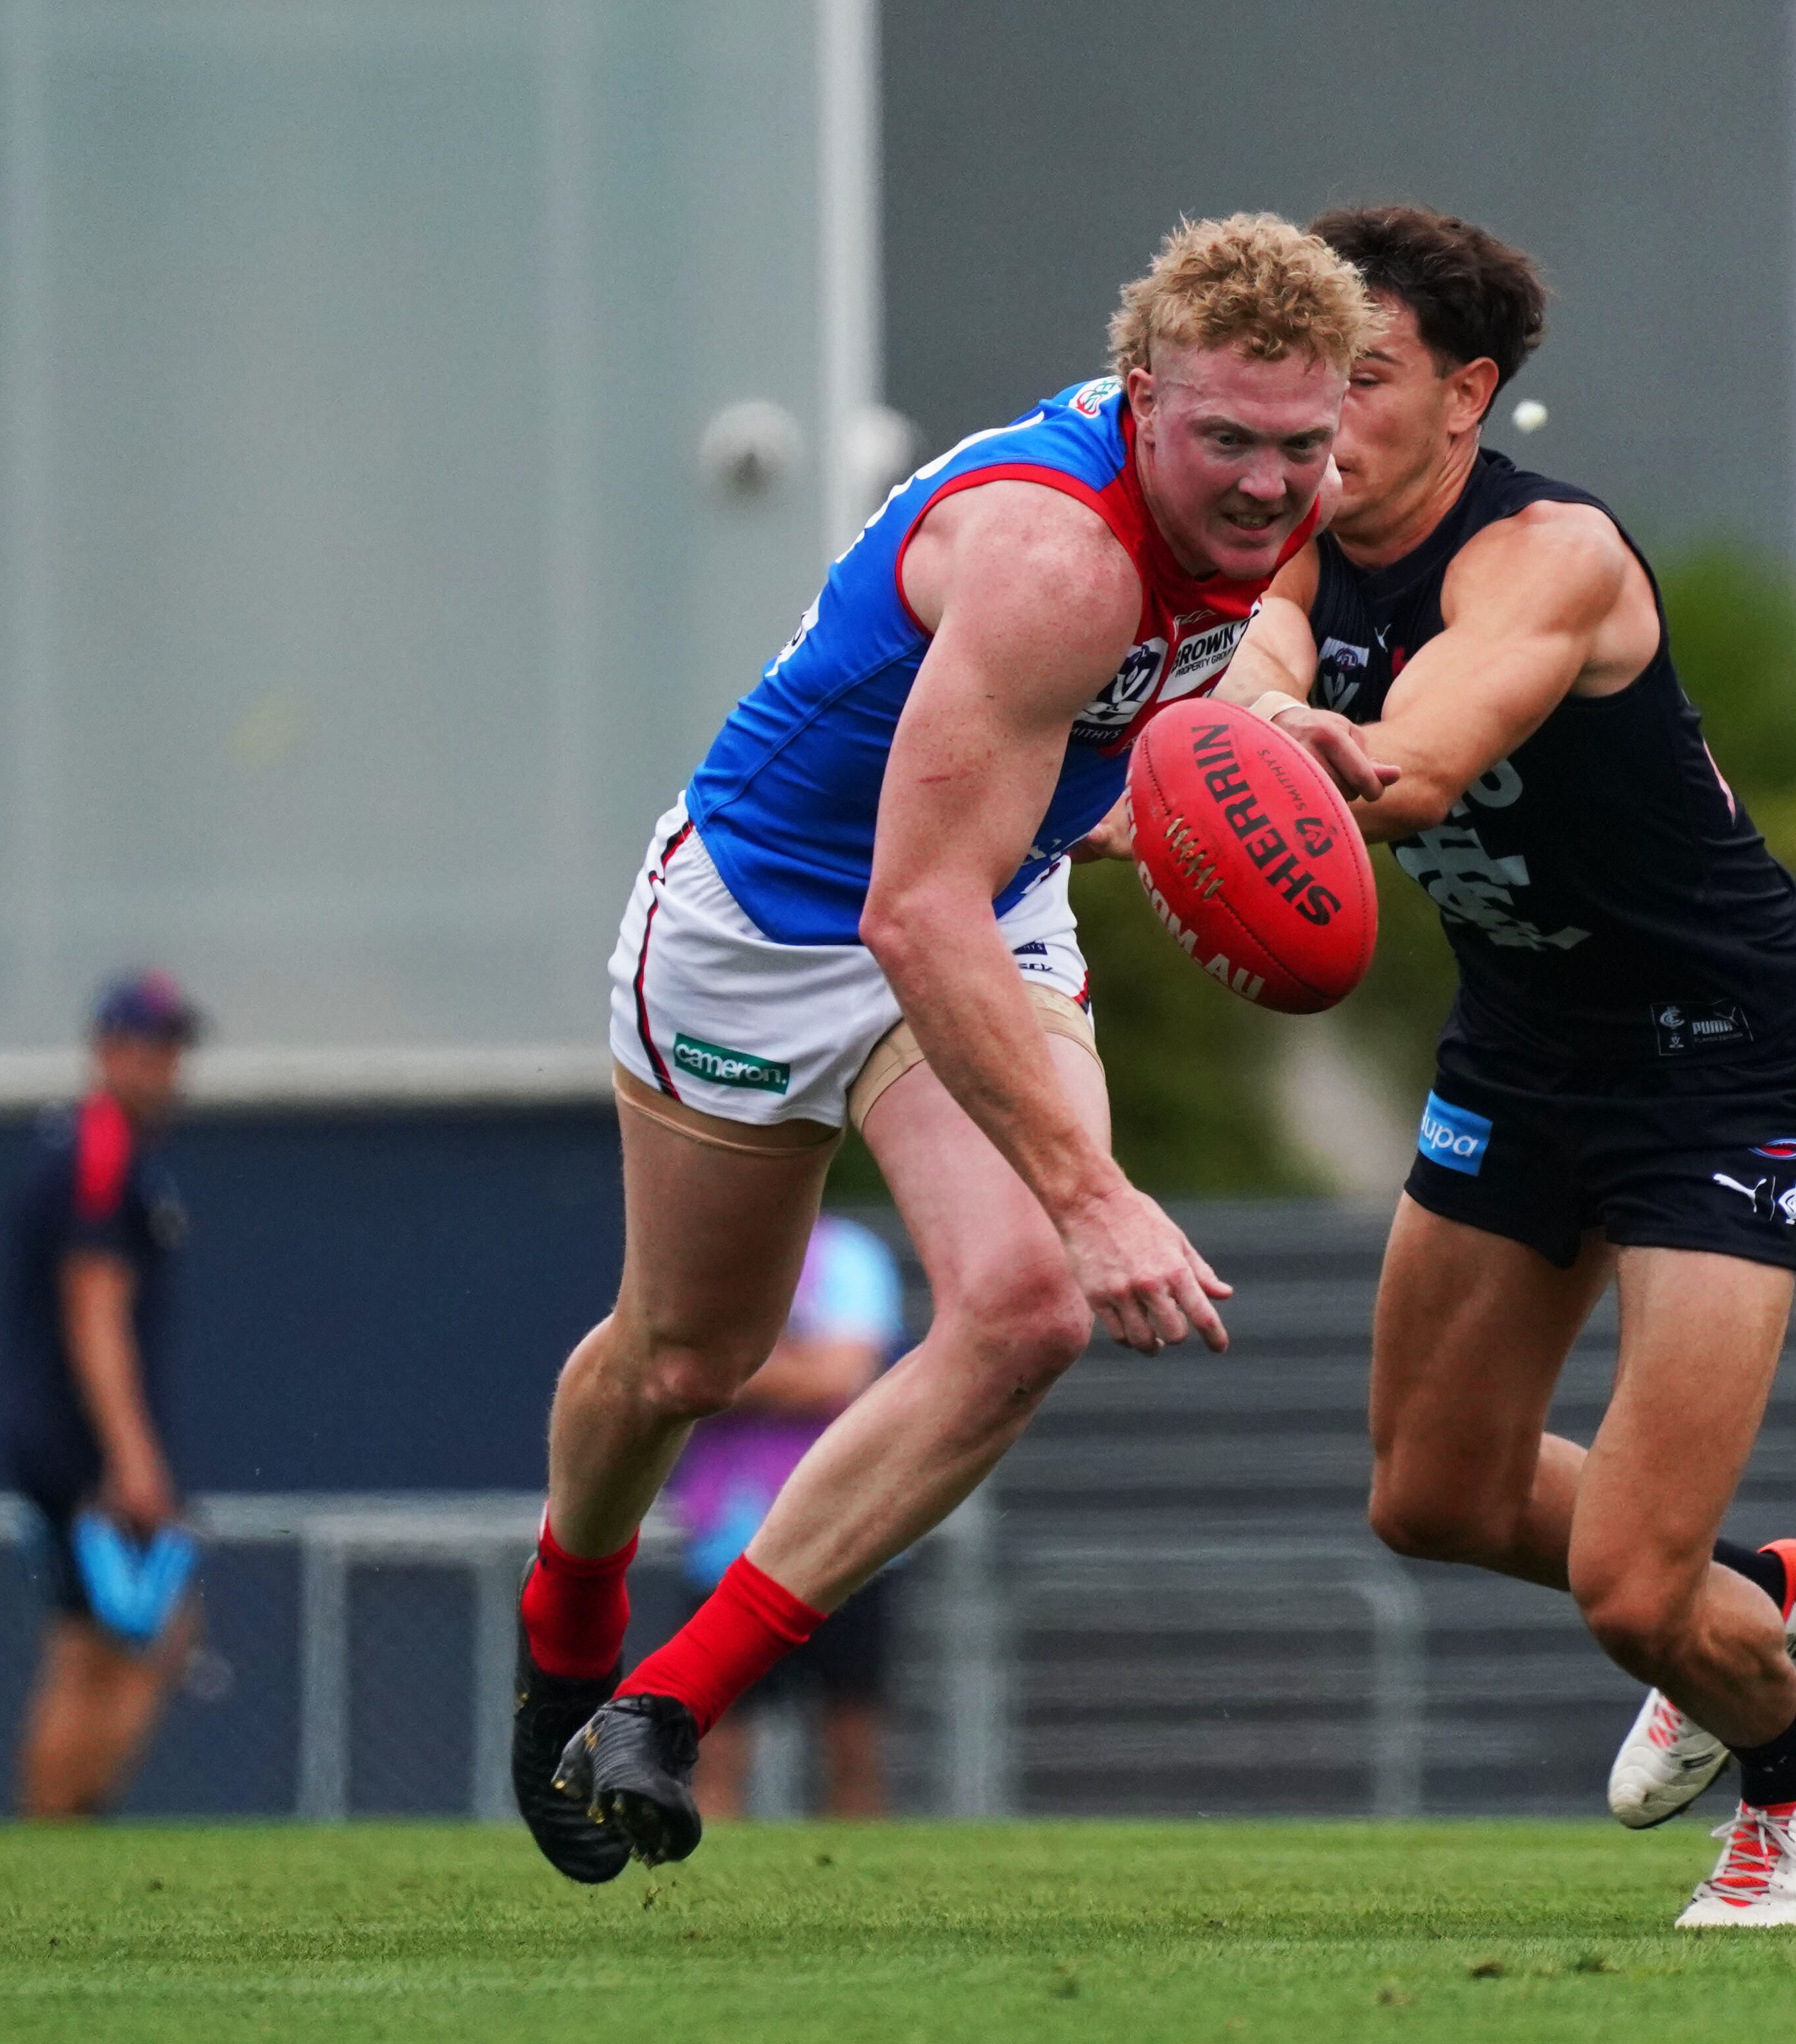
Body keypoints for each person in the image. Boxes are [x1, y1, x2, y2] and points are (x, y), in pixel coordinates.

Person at [512, 215, 1391, 1881]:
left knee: (1023, 1309)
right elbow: (908, 915)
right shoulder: (1057, 557)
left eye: (1302, 446)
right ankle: (565, 1625)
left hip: (990, 893)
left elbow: (1072, 765)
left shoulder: (1267, 502)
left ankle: (663, 1709)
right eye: (1226, 440)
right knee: (689, 1360)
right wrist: (1099, 1188)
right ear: (1141, 397)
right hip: (771, 929)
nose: (1271, 485)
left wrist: (1254, 746)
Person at [1211, 206, 1796, 1926]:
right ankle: (1756, 1586)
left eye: (1360, 378)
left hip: (1722, 1059)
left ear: (1465, 392)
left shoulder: (1546, 558)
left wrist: (1277, 750)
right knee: (1427, 1491)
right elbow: (1267, 645)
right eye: (1296, 380)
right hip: (1523, 1044)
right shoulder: (1300, 532)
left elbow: (1419, 759)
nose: (1315, 420)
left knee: (1625, 1586)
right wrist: (1240, 723)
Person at [0, 969, 204, 1817]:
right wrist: (131, 1456)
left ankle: (66, 1825)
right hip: (79, 1444)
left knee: (94, 1641)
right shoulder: (100, 1150)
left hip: (62, 1437)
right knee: (119, 1642)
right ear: (106, 1049)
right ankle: (57, 1831)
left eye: (172, 1049)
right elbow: (94, 1307)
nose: (165, 1067)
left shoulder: (104, 1148)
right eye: (149, 1047)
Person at [662, 1213, 907, 1819]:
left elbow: (839, 1376)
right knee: (716, 1743)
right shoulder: (702, 1254)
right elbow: (676, 1378)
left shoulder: (848, 1255)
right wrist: (791, 1362)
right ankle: (707, 1902)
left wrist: (739, 1367)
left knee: (852, 1740)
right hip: (729, 1542)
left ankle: (860, 1895)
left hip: (848, 1540)